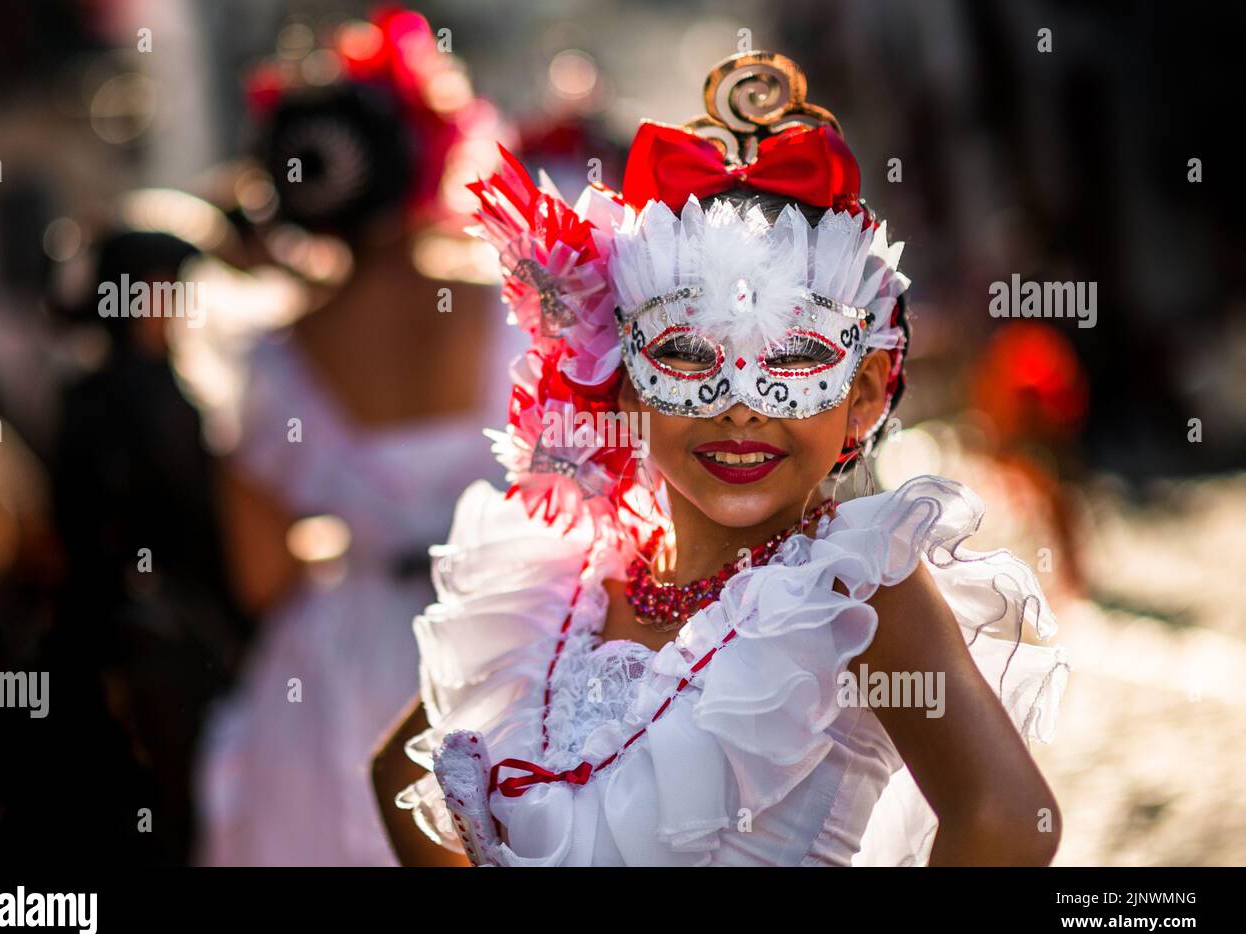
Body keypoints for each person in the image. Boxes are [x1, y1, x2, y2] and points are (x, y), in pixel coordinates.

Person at [371, 50, 1070, 867]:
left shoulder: (848, 588)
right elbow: (398, 776)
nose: (741, 406)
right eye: (691, 358)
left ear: (867, 392)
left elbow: (1008, 822)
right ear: (626, 387)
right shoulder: (551, 586)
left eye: (795, 359)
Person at [194, 7, 516, 866]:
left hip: (337, 672)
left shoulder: (267, 358)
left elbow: (260, 574)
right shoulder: (516, 309)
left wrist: (350, 536)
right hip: (510, 634)